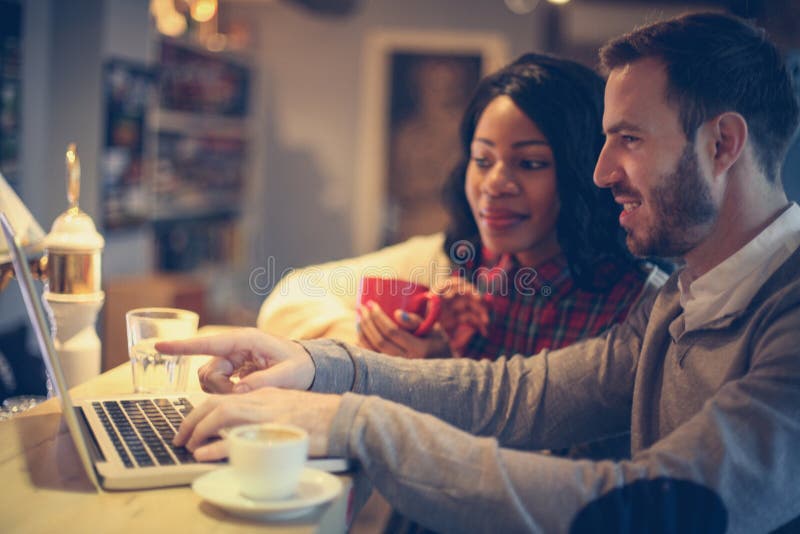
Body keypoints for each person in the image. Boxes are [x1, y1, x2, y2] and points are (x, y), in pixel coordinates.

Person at [161, 12, 800, 533]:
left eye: (629, 139)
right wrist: (316, 364)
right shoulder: (684, 299)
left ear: (722, 145)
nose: (601, 172)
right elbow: (521, 395)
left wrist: (349, 420)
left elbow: (652, 507)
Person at [258, 54, 664, 362]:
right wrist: (373, 339)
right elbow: (290, 297)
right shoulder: (460, 260)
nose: (494, 185)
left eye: (531, 163)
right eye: (482, 160)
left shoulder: (638, 305)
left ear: (584, 169)